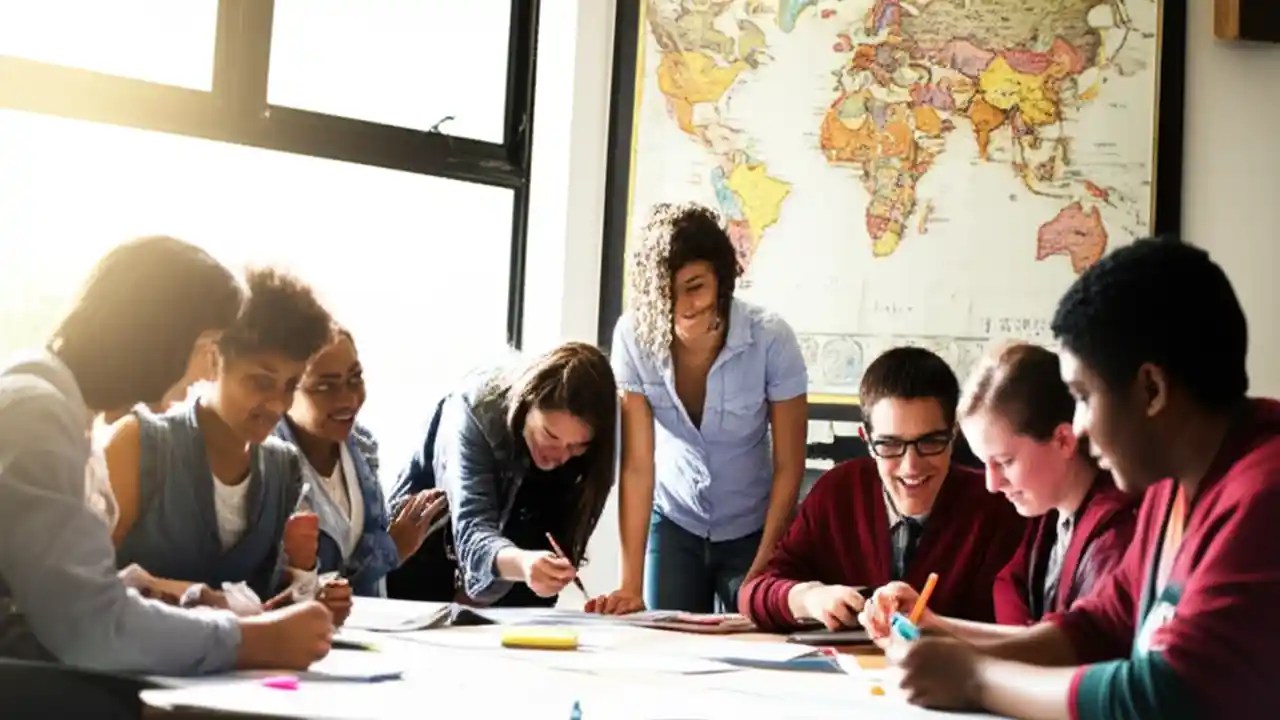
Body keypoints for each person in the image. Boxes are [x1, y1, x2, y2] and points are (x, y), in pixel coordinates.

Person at [867, 238, 1280, 719]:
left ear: (1152, 389)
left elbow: (1167, 695)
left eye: (1084, 396)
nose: (1078, 427)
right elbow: (1101, 625)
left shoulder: (1264, 494)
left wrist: (976, 678)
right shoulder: (1170, 488)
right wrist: (948, 648)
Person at [0, 236, 332, 679]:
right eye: (207, 346)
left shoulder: (61, 413)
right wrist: (251, 640)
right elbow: (91, 625)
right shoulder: (36, 414)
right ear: (159, 337)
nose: (202, 372)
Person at [588, 202, 809, 615]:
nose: (682, 307)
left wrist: (762, 573)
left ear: (722, 277)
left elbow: (789, 466)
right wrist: (629, 584)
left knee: (752, 644)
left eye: (695, 287)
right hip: (675, 522)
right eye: (666, 294)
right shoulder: (633, 337)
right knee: (663, 645)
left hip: (752, 527)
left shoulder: (771, 338)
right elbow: (637, 465)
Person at [104, 267, 351, 623]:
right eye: (261, 382)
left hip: (236, 674)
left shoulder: (284, 469)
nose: (278, 405)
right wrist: (192, 596)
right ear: (213, 359)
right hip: (133, 670)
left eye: (290, 385)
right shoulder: (139, 445)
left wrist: (308, 596)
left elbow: (262, 604)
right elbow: (76, 589)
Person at [859, 342, 1136, 642]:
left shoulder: (1116, 535)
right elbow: (1024, 625)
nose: (992, 484)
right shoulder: (1051, 515)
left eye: (1004, 462)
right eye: (984, 464)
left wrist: (953, 652)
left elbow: (1070, 655)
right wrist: (932, 624)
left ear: (1063, 440)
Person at [737, 346, 1025, 631]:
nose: (911, 466)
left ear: (954, 433)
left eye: (930, 442)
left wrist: (936, 627)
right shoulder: (838, 492)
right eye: (889, 445)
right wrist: (809, 598)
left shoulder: (996, 507)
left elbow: (1019, 630)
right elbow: (756, 592)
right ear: (867, 439)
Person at [385, 342, 617, 607]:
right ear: (527, 401)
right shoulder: (475, 410)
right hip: (425, 576)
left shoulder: (589, 457)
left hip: (513, 588)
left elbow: (560, 534)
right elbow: (472, 529)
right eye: (550, 435)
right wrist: (524, 563)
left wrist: (543, 571)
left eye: (576, 446)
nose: (559, 455)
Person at [273, 329, 447, 597]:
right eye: (325, 386)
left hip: (368, 630)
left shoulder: (361, 447)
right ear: (285, 391)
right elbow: (284, 586)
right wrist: (392, 550)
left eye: (355, 379)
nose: (348, 399)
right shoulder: (268, 463)